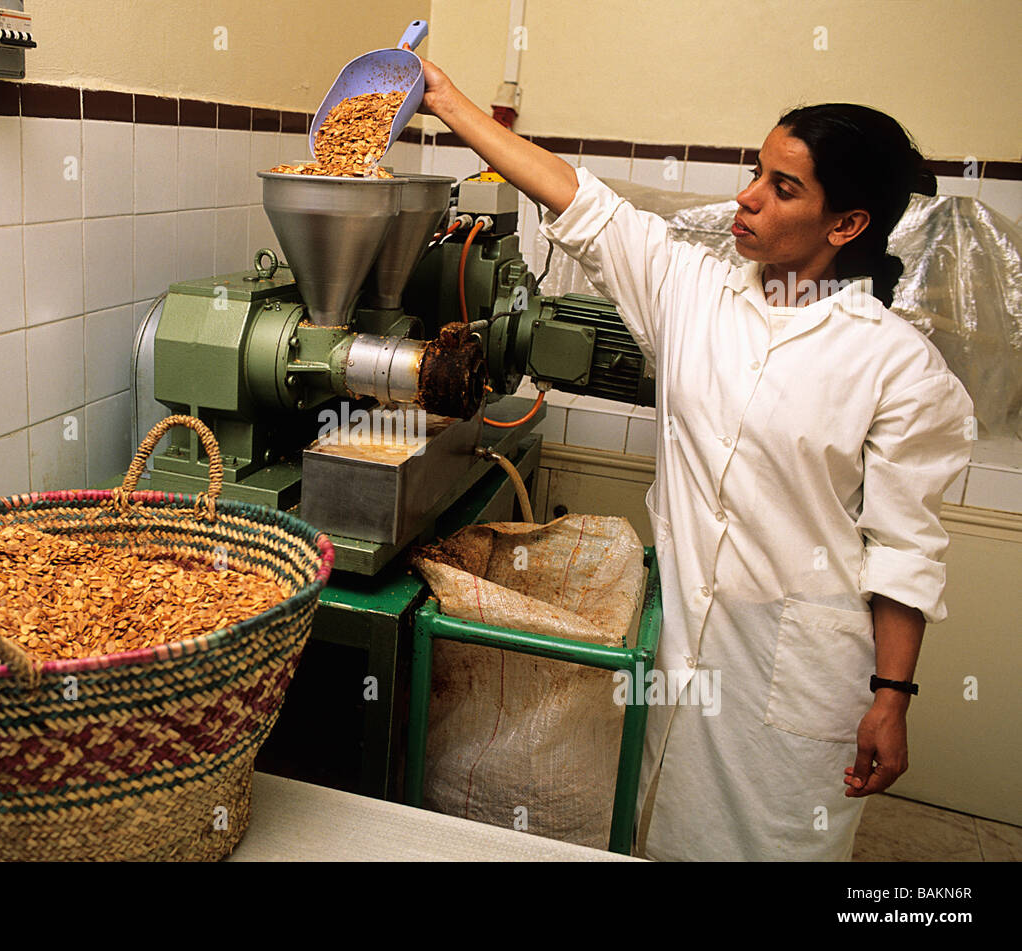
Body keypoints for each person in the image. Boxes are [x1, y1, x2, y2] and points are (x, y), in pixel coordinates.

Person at [417, 60, 974, 861]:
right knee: (653, 828)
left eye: (783, 188)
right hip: (674, 648)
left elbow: (905, 550)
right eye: (756, 171)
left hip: (800, 674)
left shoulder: (898, 367)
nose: (747, 195)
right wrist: (448, 103)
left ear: (845, 225)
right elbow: (583, 203)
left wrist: (893, 696)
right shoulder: (694, 291)